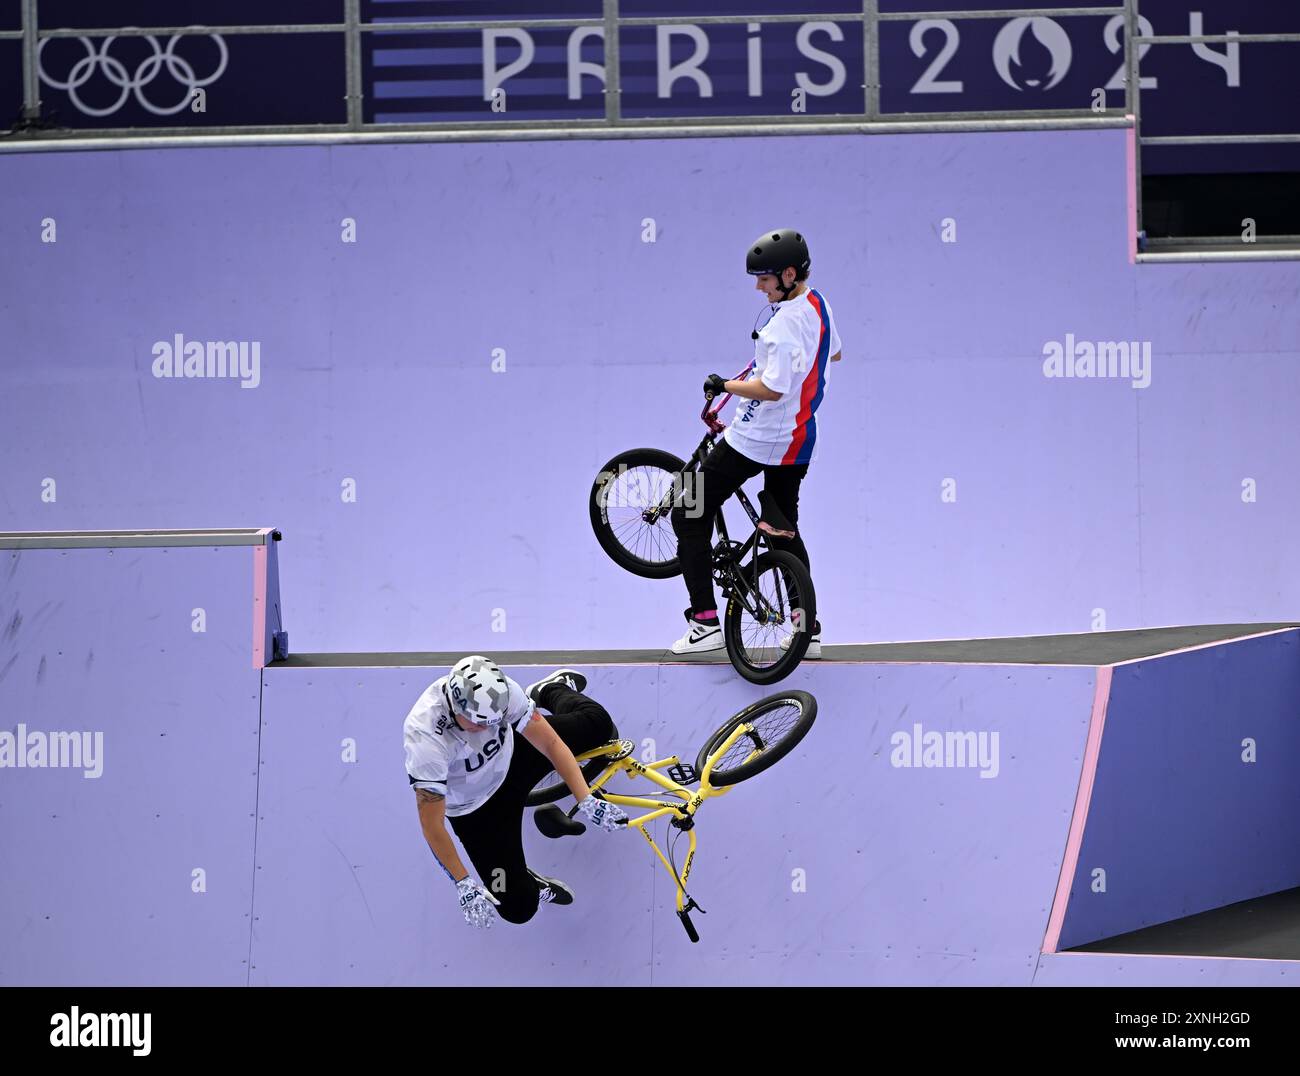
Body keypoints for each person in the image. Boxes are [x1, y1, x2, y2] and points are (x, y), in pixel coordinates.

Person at [669, 229, 842, 659]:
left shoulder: (780, 327)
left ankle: (705, 623)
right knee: (781, 531)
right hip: (799, 439)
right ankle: (808, 630)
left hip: (757, 438)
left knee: (689, 511)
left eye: (764, 279)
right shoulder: (817, 304)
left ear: (787, 274)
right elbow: (832, 354)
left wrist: (726, 384)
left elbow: (773, 389)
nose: (758, 287)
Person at [404, 658, 628, 929]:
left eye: (493, 723)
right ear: (456, 705)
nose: (486, 730)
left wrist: (586, 798)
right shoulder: (425, 738)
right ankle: (529, 881)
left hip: (514, 758)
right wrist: (463, 882)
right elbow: (432, 824)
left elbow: (550, 742)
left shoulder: (501, 692)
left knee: (599, 724)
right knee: (517, 908)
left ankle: (550, 689)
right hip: (477, 811)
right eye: (478, 724)